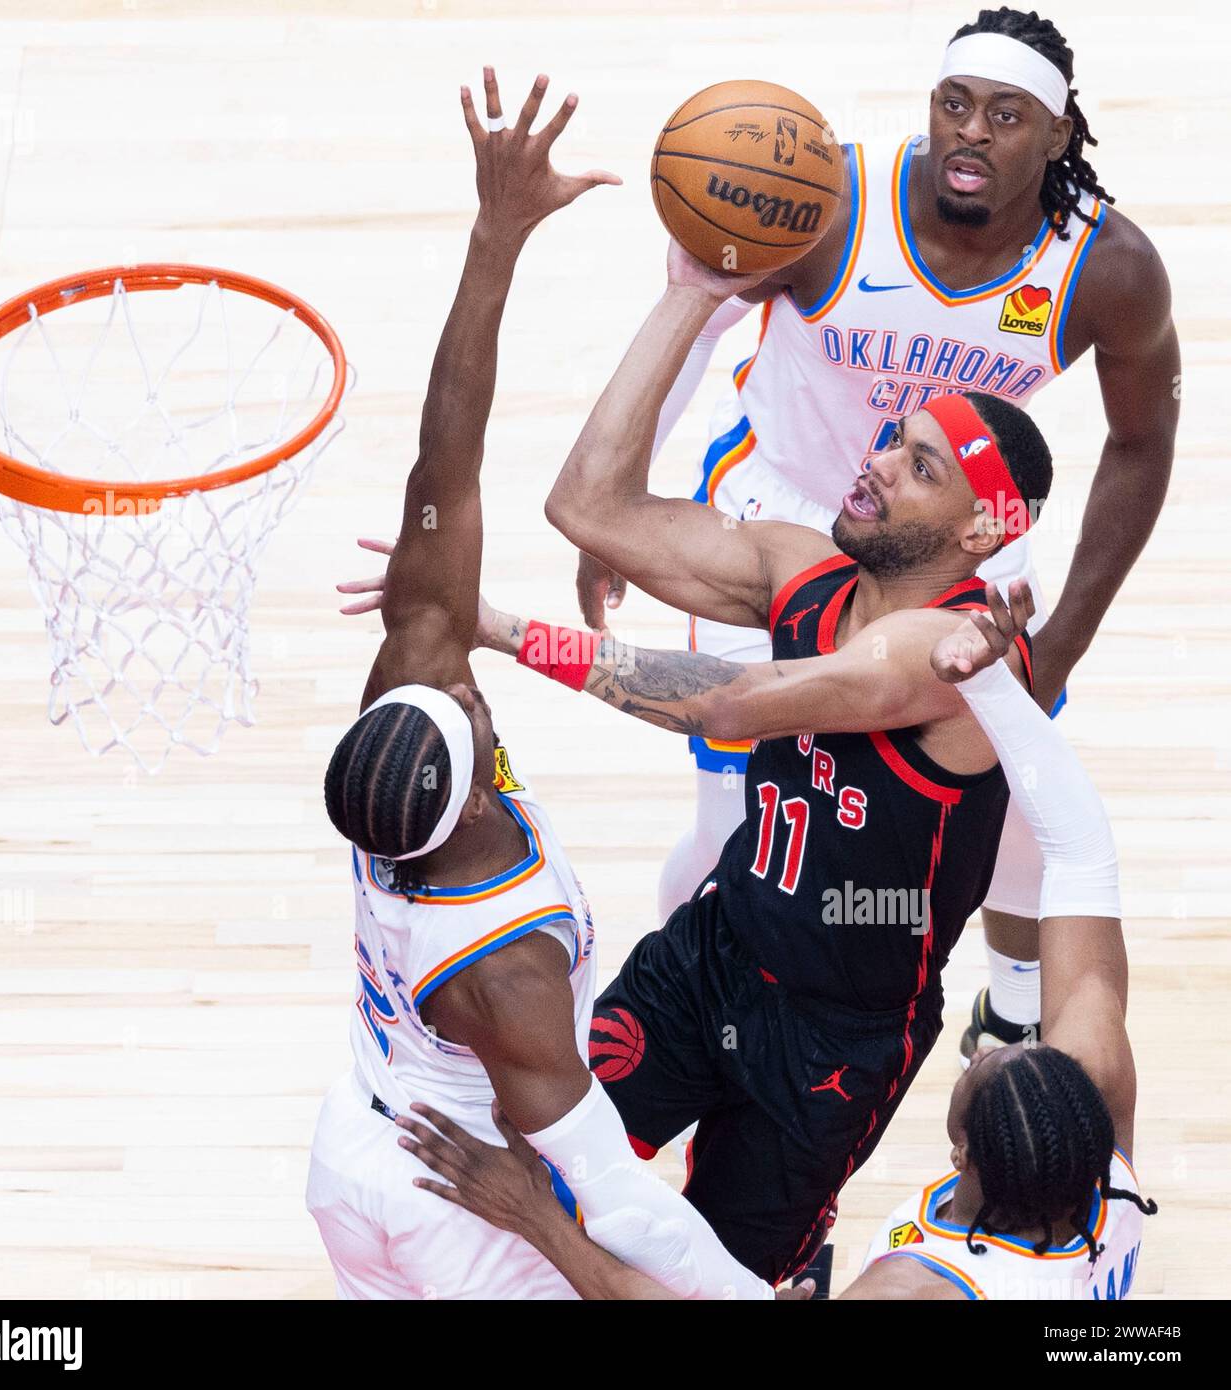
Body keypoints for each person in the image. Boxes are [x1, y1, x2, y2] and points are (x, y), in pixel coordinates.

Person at [578, 6, 1179, 1063]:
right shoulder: (823, 205)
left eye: (1005, 114)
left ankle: (1013, 1007)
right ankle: (701, 1014)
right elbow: (697, 322)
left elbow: (1142, 442)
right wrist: (616, 510)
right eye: (954, 104)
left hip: (957, 545)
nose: (970, 131)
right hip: (780, 521)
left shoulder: (1106, 269)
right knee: (742, 834)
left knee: (1009, 817)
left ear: (1056, 134)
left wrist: (1065, 644)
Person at [308, 68, 773, 1302]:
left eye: (449, 692)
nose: (465, 689)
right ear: (467, 796)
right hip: (457, 1203)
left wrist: (495, 235)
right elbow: (613, 1193)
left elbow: (443, 467)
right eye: (469, 713)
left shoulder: (400, 761)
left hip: (354, 1148)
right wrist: (738, 1295)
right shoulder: (505, 966)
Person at [396, 600, 1157, 1300]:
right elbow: (1082, 852)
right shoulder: (1103, 1165)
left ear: (963, 1155)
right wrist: (992, 685)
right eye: (1029, 1051)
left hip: (842, 1048)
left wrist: (537, 1220)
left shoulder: (910, 1290)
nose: (1003, 1049)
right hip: (729, 970)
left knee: (669, 1249)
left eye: (994, 1068)